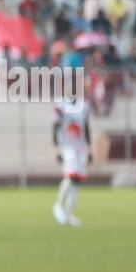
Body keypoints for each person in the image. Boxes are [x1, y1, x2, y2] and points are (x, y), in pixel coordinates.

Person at [52, 95, 91, 226]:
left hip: (79, 147)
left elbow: (86, 127)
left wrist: (89, 148)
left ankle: (69, 214)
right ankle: (58, 205)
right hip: (67, 146)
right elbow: (55, 127)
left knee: (78, 180)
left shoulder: (84, 106)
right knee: (72, 176)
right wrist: (57, 149)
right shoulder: (61, 105)